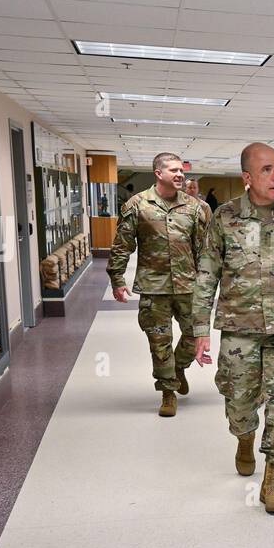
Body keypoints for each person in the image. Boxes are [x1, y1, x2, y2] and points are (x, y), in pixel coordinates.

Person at [193, 144, 274, 515]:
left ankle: (273, 481)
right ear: (247, 178)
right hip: (238, 329)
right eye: (266, 169)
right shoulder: (225, 218)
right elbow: (206, 275)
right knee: (239, 403)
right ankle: (244, 437)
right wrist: (200, 329)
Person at [108, 152, 209, 417]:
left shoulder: (195, 207)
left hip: (189, 287)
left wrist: (209, 282)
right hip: (154, 287)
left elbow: (205, 249)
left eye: (182, 171)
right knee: (159, 341)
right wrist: (117, 278)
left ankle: (178, 369)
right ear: (158, 173)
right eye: (173, 170)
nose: (180, 175)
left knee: (193, 337)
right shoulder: (138, 205)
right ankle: (167, 392)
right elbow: (123, 245)